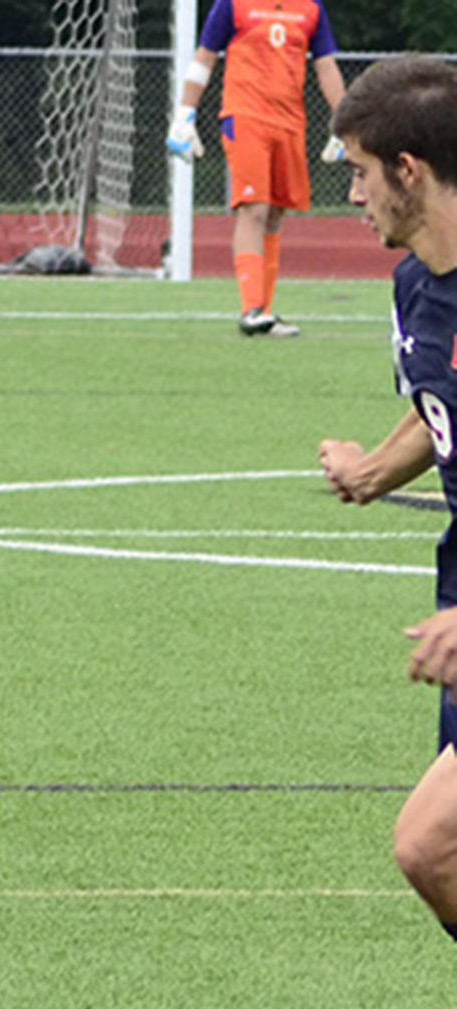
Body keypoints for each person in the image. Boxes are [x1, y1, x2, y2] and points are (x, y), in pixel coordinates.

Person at [313, 55, 457, 947]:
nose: (354, 195)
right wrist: (372, 472)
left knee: (430, 845)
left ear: (410, 170)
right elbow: (437, 406)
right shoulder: (415, 285)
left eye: (362, 172)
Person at [166, 0, 347, 338]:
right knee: (254, 208)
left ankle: (263, 311)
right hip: (245, 116)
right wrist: (184, 113)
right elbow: (205, 56)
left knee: (276, 212)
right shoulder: (232, 4)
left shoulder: (311, 8)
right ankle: (250, 308)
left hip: (290, 123)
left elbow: (326, 65)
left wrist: (343, 121)